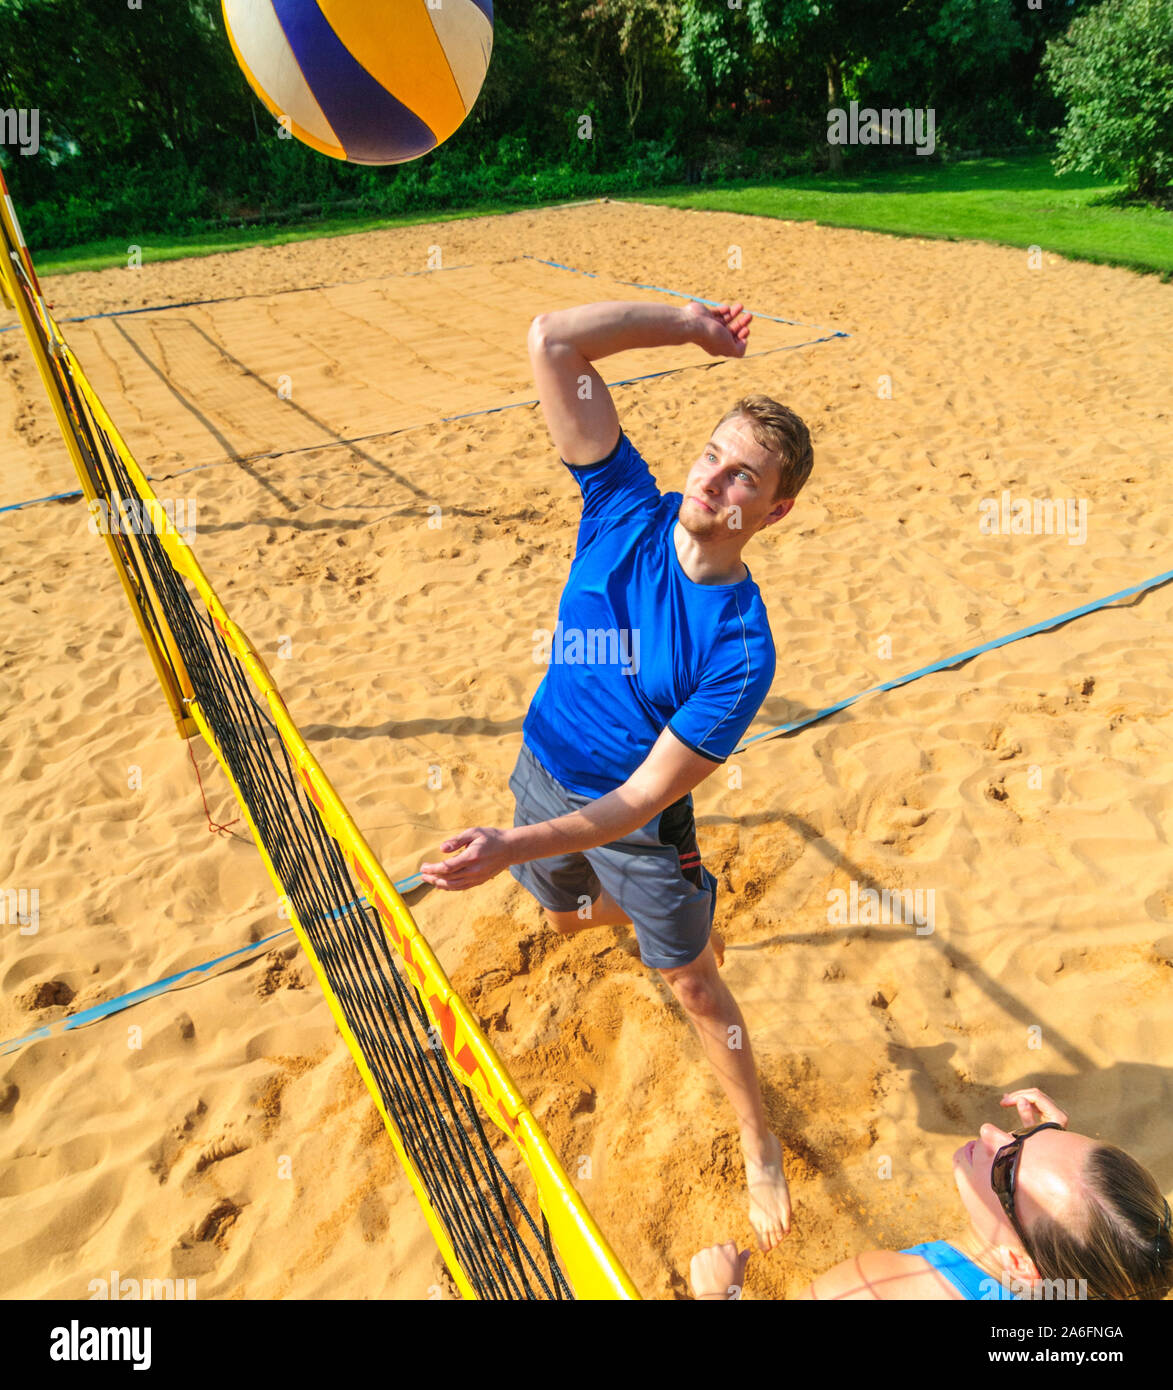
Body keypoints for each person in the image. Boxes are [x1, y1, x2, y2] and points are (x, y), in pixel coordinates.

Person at [419, 297, 814, 1250]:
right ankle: (640, 922)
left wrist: (509, 843)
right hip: (540, 767)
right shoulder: (623, 504)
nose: (716, 480)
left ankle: (758, 1141)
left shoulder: (741, 648)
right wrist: (687, 323)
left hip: (634, 825)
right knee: (561, 922)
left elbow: (641, 798)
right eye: (712, 456)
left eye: (744, 477)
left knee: (690, 985)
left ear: (775, 508)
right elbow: (550, 339)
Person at [689, 1088, 1173, 1300]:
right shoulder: (1100, 1290)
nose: (989, 1131)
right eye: (1025, 1135)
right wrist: (1050, 1164)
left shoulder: (884, 1287)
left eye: (1006, 1168)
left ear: (1022, 1263)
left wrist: (715, 1292)